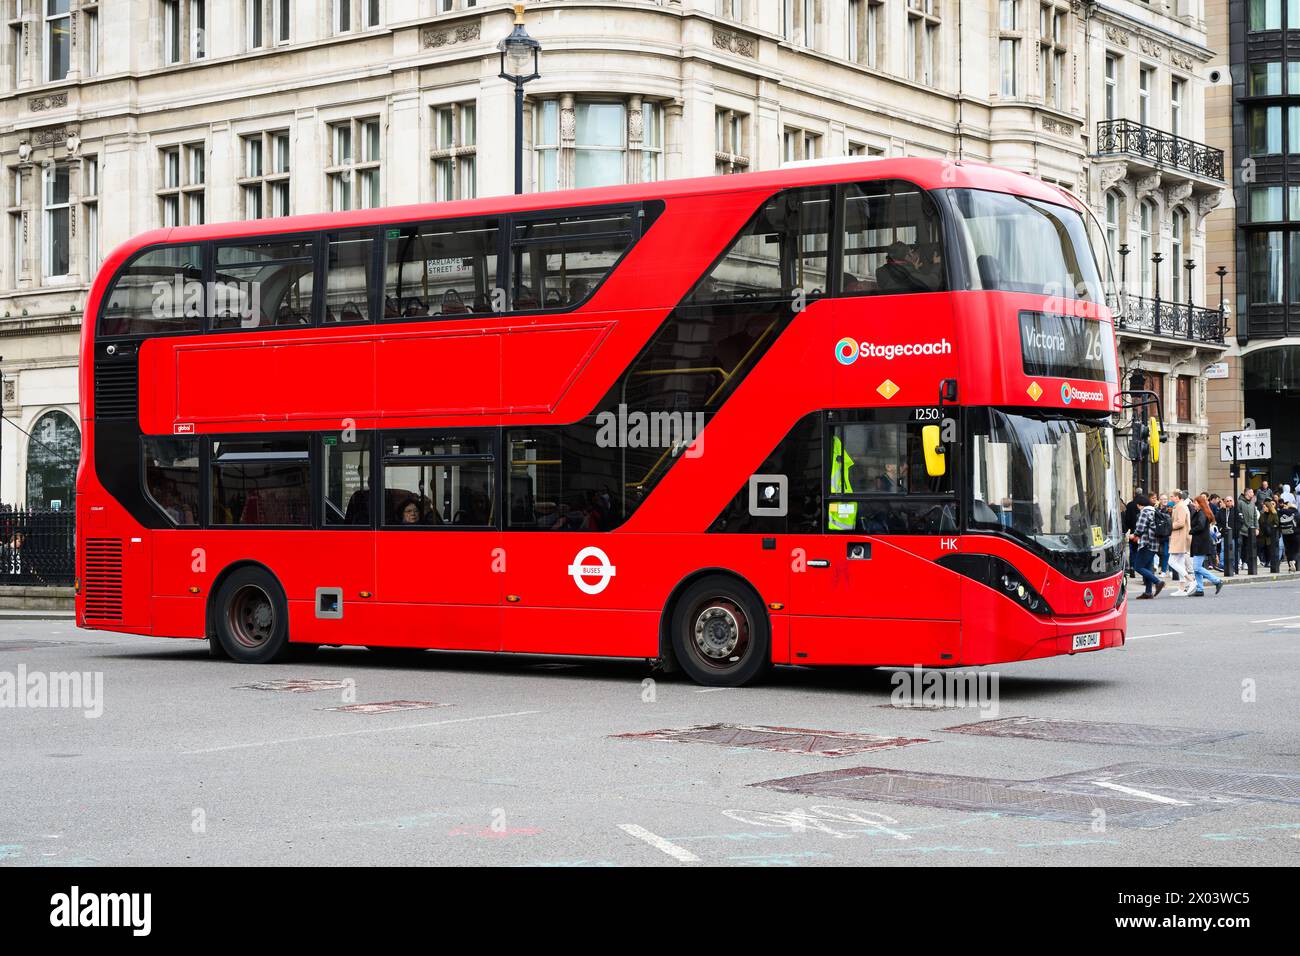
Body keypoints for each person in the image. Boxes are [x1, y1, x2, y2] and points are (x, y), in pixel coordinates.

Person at [1130, 493, 1165, 599]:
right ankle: (1148, 592)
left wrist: (1134, 535)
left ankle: (1158, 582)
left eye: (1137, 505)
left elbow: (1140, 527)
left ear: (1140, 504)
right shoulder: (1154, 510)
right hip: (1154, 543)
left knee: (1138, 566)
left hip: (1146, 542)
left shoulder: (1145, 511)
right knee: (1147, 568)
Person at [1188, 494, 1224, 596]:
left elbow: (1200, 526)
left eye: (1195, 502)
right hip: (1199, 542)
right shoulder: (1199, 512)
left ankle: (1217, 581)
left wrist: (1191, 531)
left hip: (1201, 543)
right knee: (1197, 567)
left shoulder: (1202, 513)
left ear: (1200, 504)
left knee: (1197, 567)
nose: (1193, 504)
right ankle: (1200, 589)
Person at [1168, 490, 1194, 593]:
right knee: (1180, 563)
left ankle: (1191, 580)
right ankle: (1182, 588)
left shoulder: (1180, 507)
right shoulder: (1179, 506)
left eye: (1172, 496)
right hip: (1181, 536)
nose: (1171, 498)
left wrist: (1169, 526)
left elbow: (1180, 523)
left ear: (1178, 497)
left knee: (1172, 562)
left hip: (1180, 537)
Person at [1123, 488, 1144, 579]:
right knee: (1142, 550)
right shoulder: (1144, 505)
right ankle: (1140, 568)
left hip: (1133, 530)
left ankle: (1132, 566)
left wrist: (1129, 528)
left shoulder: (1130, 504)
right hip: (1142, 531)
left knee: (1133, 551)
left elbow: (1126, 519)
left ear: (1134, 494)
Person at [1238, 489, 1259, 575]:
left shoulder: (1252, 503)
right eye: (1251, 492)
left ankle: (1245, 562)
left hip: (1250, 530)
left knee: (1248, 547)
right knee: (1239, 546)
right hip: (1241, 530)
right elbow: (1239, 515)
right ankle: (1238, 562)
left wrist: (1256, 527)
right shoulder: (1240, 502)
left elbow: (1255, 516)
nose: (1253, 494)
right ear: (1247, 493)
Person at [1259, 499, 1282, 574]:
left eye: (1265, 507)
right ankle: (1266, 561)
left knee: (1270, 549)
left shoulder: (1274, 514)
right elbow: (1260, 523)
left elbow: (1277, 523)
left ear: (1268, 507)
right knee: (1265, 549)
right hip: (1263, 534)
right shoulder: (1262, 515)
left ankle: (1271, 562)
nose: (1264, 508)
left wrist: (1270, 527)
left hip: (1271, 535)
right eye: (1263, 507)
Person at [1280, 498, 1299, 572]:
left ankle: (1290, 566)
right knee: (1296, 550)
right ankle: (1293, 561)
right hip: (1296, 535)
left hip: (1285, 534)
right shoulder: (1296, 513)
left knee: (1288, 551)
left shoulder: (1281, 512)